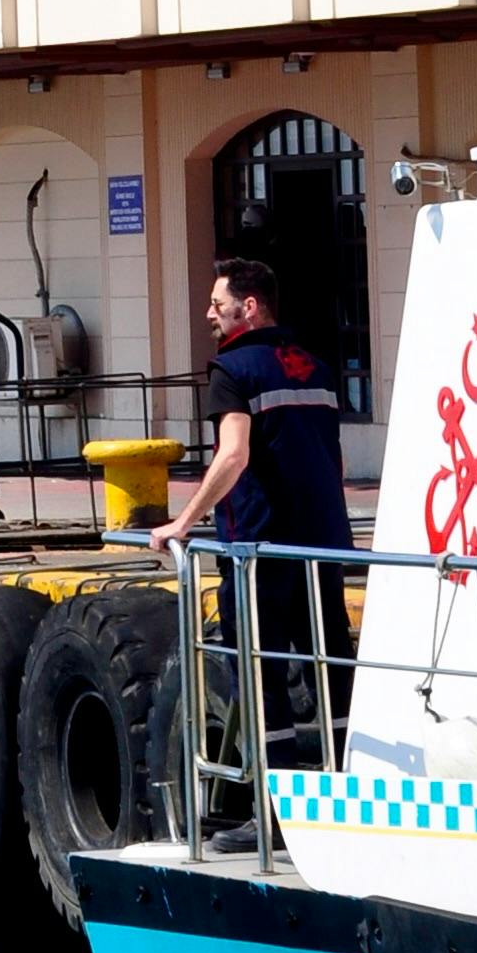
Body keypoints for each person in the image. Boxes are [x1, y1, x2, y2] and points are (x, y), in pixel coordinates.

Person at [149, 257, 355, 749]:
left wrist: (183, 521)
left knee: (260, 669)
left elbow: (233, 454)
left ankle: (273, 814)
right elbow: (334, 460)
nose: (208, 314)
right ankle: (347, 779)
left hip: (259, 548)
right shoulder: (318, 369)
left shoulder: (232, 369)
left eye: (217, 304)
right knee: (330, 664)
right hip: (322, 546)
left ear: (249, 306)